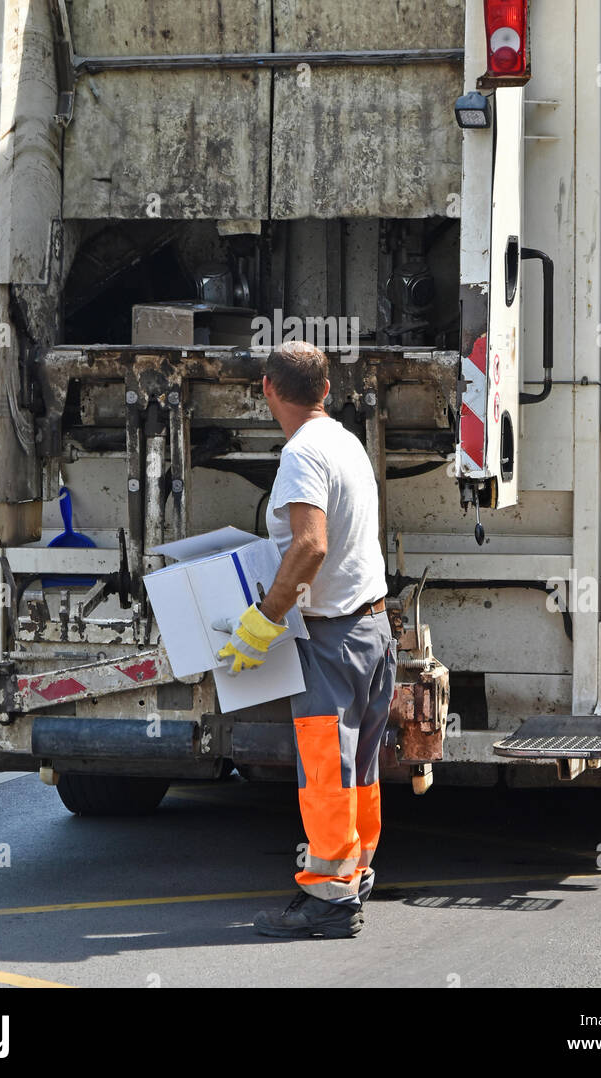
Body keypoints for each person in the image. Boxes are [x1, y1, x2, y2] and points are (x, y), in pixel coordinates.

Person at [215, 340, 396, 939]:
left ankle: (328, 902)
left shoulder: (300, 453)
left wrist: (264, 618)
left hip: (331, 640)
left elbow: (310, 544)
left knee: (325, 771)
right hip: (372, 629)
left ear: (268, 389)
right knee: (358, 769)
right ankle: (354, 876)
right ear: (326, 390)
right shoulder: (345, 441)